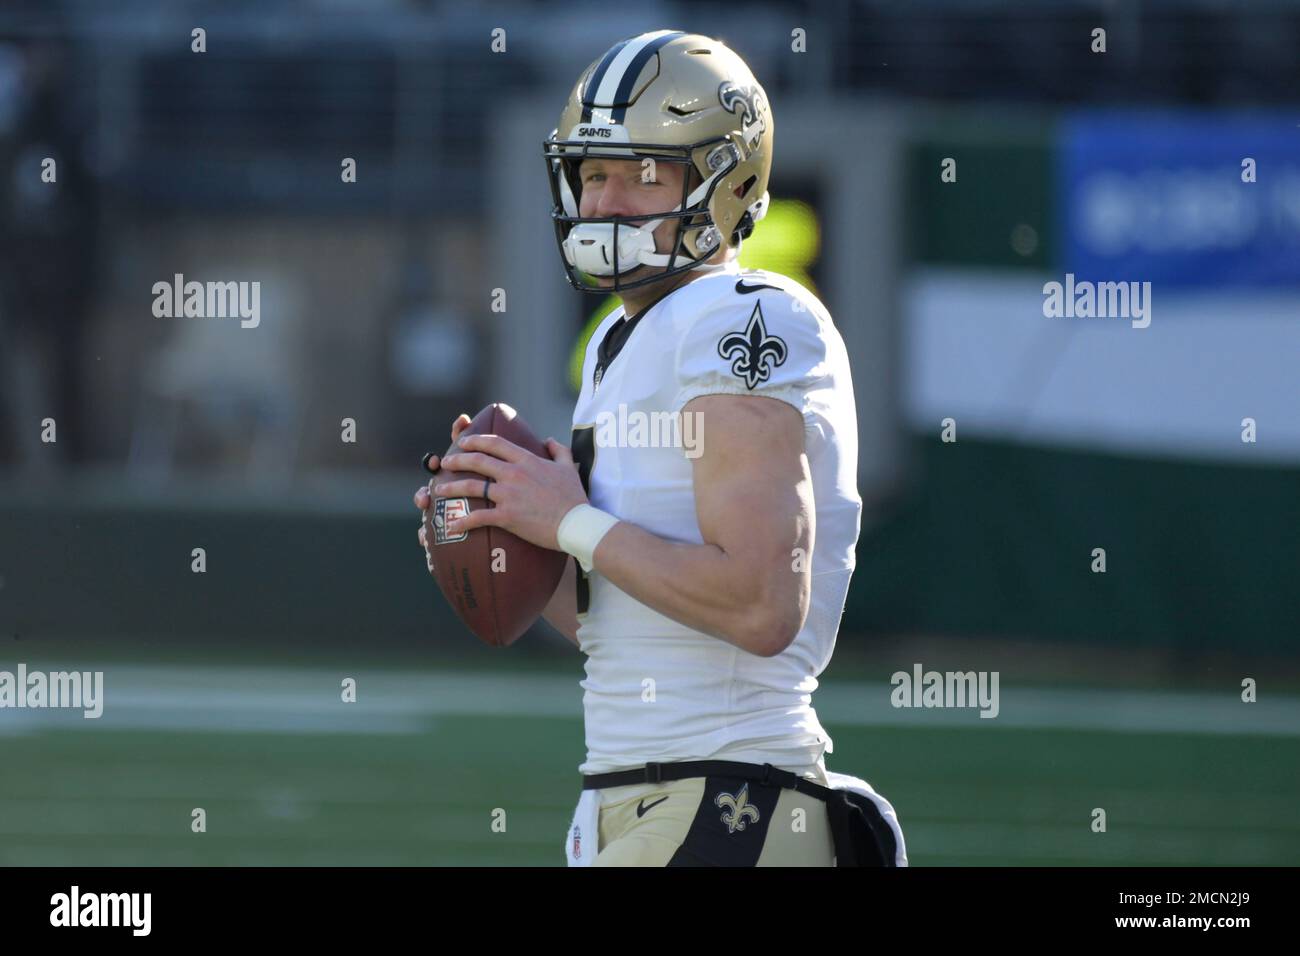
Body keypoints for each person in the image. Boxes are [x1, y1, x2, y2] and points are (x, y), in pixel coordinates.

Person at [413, 30, 905, 867]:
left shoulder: (744, 314)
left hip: (730, 794)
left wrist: (566, 520)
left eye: (641, 174)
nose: (604, 201)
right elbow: (630, 623)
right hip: (636, 794)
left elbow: (759, 605)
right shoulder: (615, 337)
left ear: (726, 179)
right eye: (592, 174)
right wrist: (504, 530)